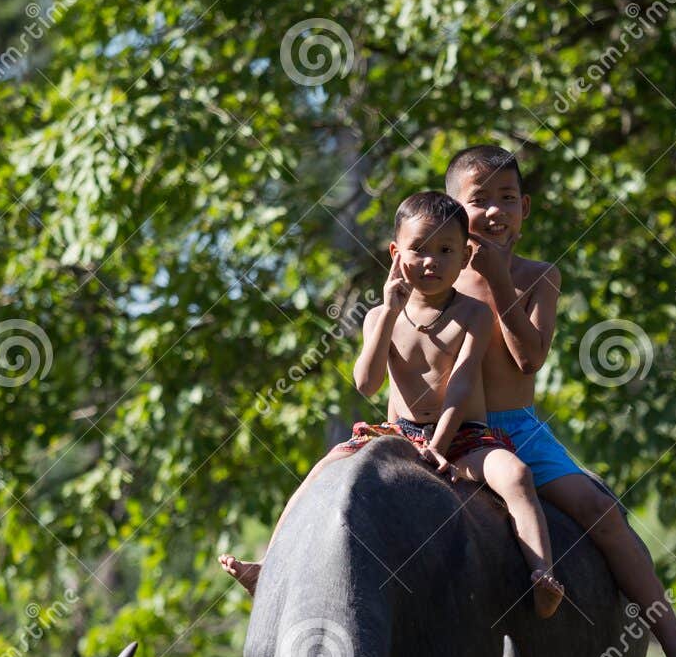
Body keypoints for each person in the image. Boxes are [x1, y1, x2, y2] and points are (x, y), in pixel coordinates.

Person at [444, 143, 676, 657]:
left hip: (517, 430)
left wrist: (500, 282)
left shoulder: (538, 277)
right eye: (479, 200)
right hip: (449, 428)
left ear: (526, 208)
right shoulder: (438, 277)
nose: (495, 211)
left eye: (507, 198)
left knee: (601, 510)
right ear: (454, 210)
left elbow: (529, 357)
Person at [220, 190, 564, 618]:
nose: (431, 262)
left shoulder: (473, 314)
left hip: (463, 437)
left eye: (445, 251)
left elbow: (459, 385)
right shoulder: (379, 317)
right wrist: (385, 314)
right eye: (418, 249)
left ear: (463, 258)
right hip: (398, 433)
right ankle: (269, 568)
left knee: (515, 476)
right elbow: (366, 384)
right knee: (319, 475)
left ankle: (542, 575)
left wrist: (439, 444)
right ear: (395, 253)